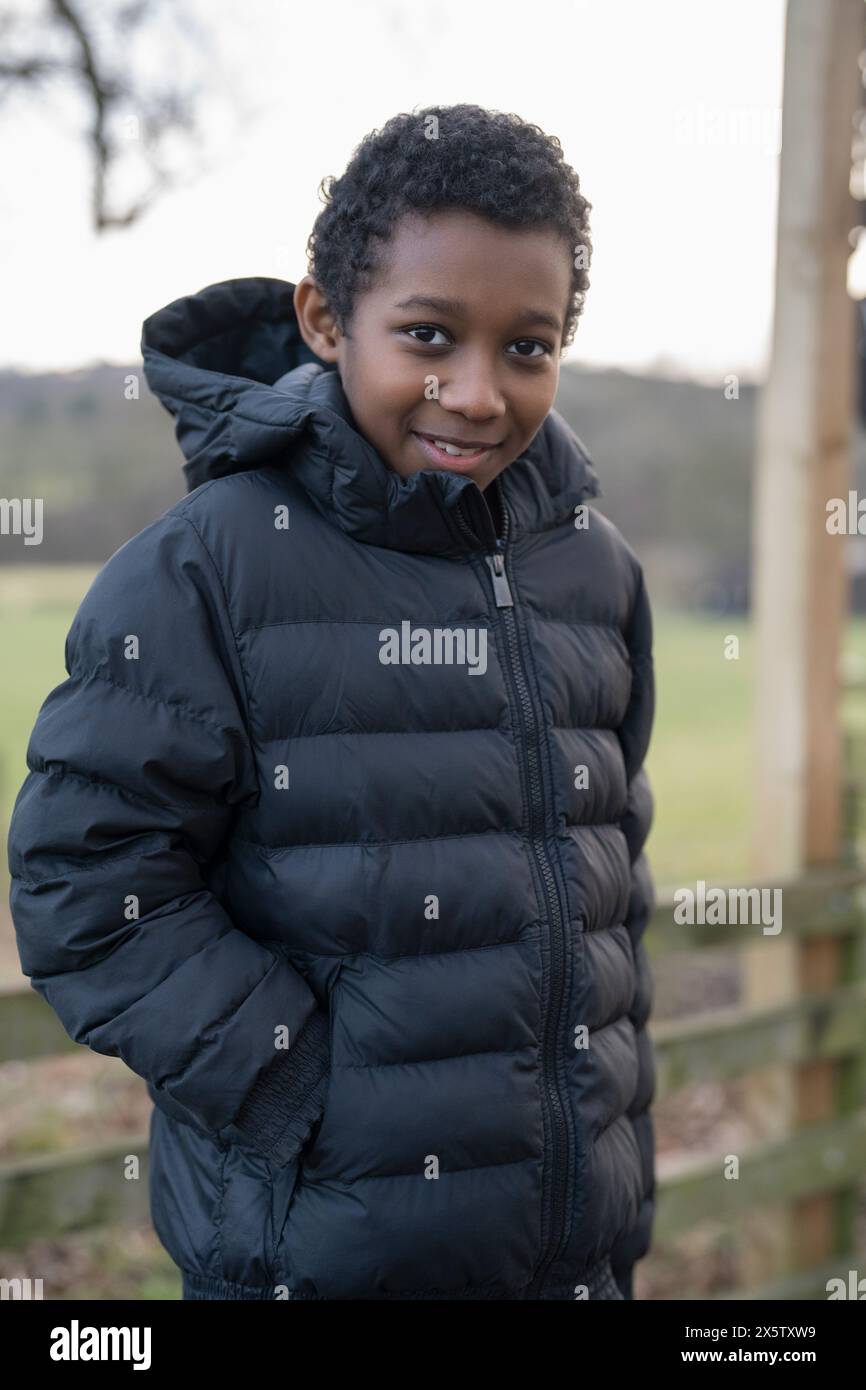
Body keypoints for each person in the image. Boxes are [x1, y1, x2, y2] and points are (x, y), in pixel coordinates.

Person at [7, 103, 656, 1301]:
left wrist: (612, 1140)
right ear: (324, 320)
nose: (473, 392)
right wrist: (300, 1084)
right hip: (321, 1264)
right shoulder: (206, 568)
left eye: (525, 346)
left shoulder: (594, 570)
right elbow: (84, 884)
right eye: (425, 335)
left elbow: (608, 868)